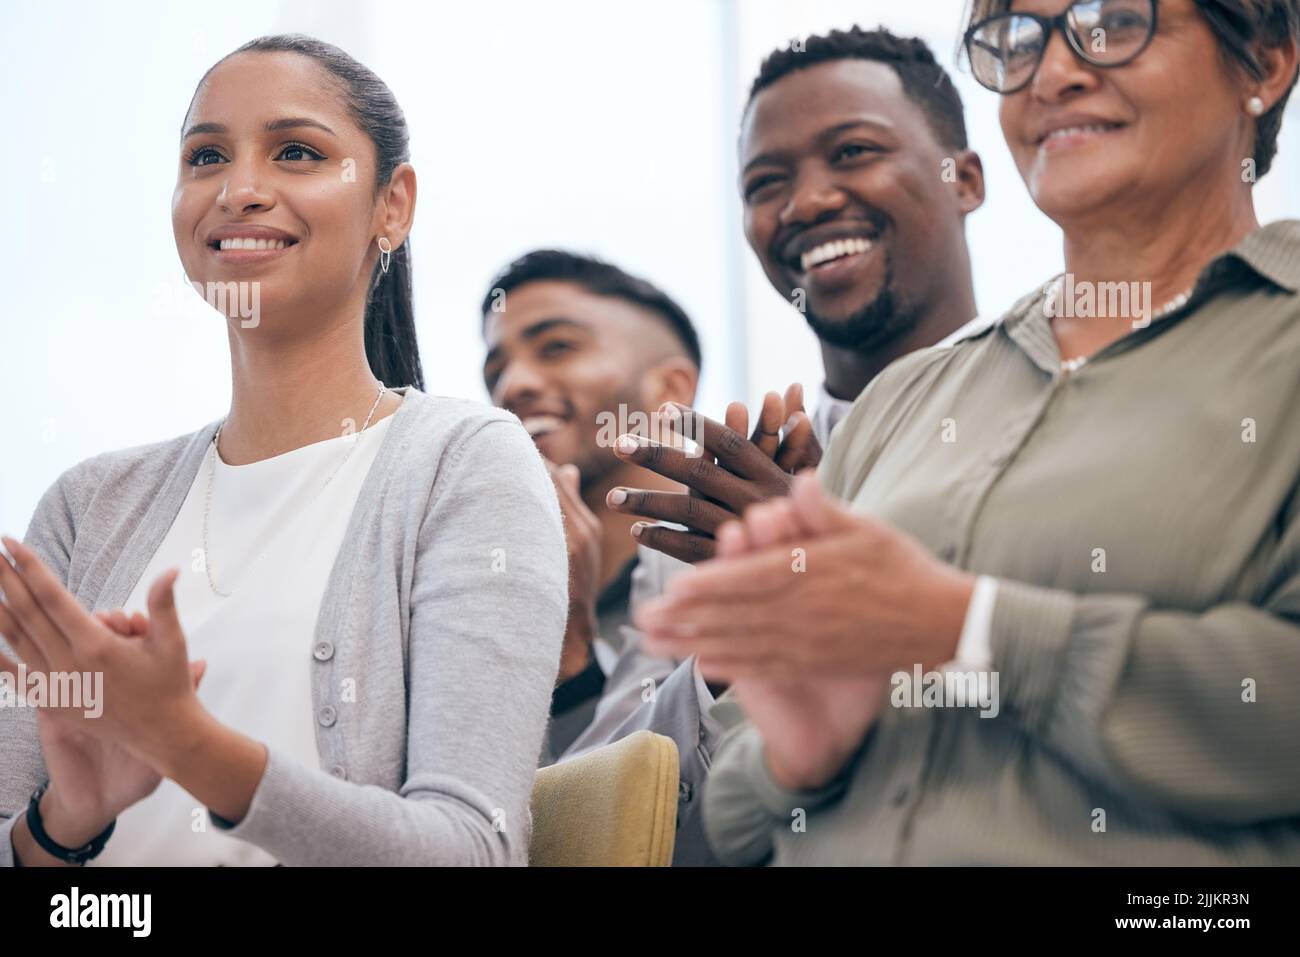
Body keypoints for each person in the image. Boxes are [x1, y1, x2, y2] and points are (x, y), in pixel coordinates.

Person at [639, 0, 1300, 865]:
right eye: (1017, 40)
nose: (1052, 73)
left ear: (1265, 58)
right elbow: (728, 815)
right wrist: (799, 754)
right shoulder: (903, 402)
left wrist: (971, 630)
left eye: (1115, 20)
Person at [0, 34, 566, 868]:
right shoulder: (89, 509)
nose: (239, 189)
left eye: (296, 152)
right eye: (206, 157)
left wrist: (190, 747)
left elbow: (470, 849)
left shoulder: (466, 465)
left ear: (392, 205)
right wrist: (63, 824)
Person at [609, 26, 988, 562]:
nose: (806, 203)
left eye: (853, 151)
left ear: (965, 180)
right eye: (765, 183)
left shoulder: (1065, 417)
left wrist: (820, 561)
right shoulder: (722, 512)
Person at [480, 250, 702, 765]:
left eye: (556, 347)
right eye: (496, 371)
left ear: (671, 392)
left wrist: (571, 655)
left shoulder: (723, 578)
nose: (513, 386)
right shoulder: (488, 595)